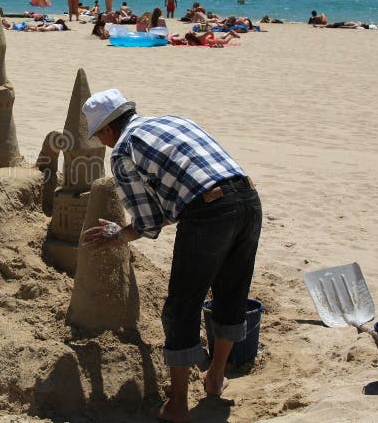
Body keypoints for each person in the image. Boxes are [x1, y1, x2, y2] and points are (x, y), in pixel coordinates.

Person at [81, 89, 261, 423]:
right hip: (249, 200)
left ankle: (177, 404)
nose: (103, 143)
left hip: (209, 214)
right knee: (232, 293)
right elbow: (178, 198)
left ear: (107, 130)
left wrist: (119, 236)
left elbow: (149, 223)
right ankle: (215, 378)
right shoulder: (172, 120)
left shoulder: (123, 150)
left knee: (182, 307)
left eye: (99, 136)